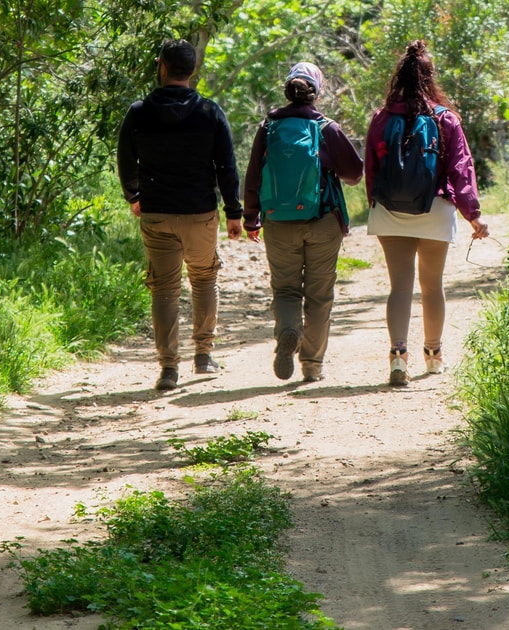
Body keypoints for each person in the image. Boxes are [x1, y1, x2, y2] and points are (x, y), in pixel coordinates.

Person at [118, 39, 244, 391]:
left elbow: (126, 160)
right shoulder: (209, 112)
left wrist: (134, 195)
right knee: (204, 279)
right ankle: (203, 356)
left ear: (161, 66)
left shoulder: (139, 111)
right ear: (192, 70)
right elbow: (226, 167)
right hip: (200, 212)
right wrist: (233, 212)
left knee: (164, 290)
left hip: (157, 211)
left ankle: (168, 369)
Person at [364, 40, 489, 386]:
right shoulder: (445, 119)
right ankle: (433, 357)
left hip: (390, 211)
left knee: (399, 287)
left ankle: (397, 357)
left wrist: (376, 200)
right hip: (435, 208)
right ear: (430, 78)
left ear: (399, 78)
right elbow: (460, 169)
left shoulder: (381, 118)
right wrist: (473, 216)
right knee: (432, 286)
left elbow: (371, 167)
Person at [243, 62, 363, 382]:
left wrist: (250, 218)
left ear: (287, 89)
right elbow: (354, 174)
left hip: (278, 222)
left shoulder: (268, 127)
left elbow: (254, 176)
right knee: (320, 295)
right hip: (323, 220)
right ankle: (312, 364)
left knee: (285, 289)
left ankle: (289, 331)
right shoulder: (327, 129)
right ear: (317, 91)